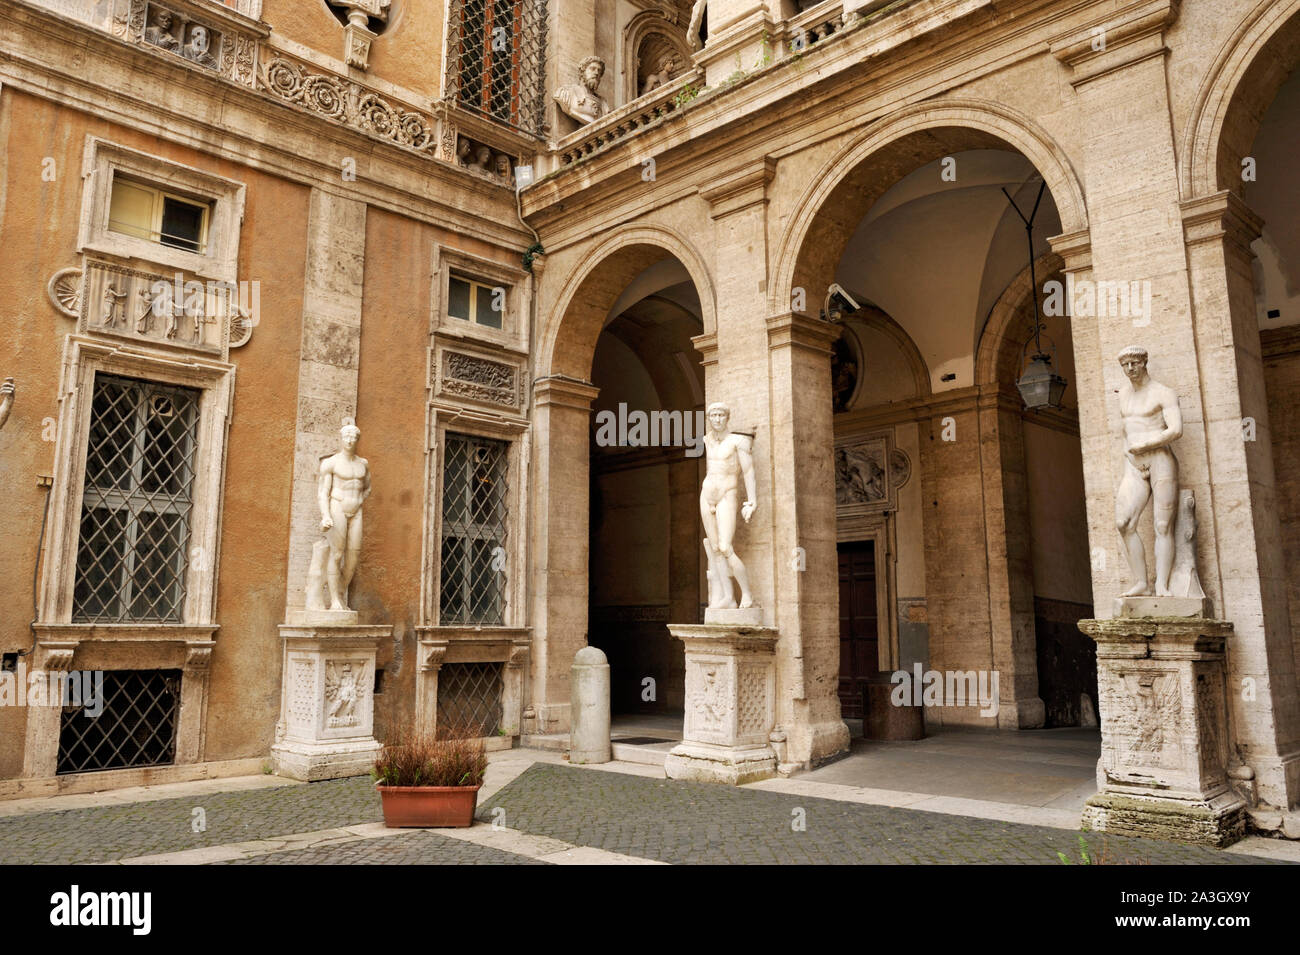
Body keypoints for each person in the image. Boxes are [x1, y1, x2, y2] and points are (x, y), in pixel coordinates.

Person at [1114, 345, 1182, 597]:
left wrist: (1145, 444)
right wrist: (1128, 454)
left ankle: (1162, 585)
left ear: (1144, 362)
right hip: (1133, 462)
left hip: (1160, 459)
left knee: (1162, 525)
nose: (1130, 368)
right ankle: (1141, 582)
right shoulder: (1122, 394)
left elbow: (1175, 430)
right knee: (1123, 522)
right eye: (1125, 365)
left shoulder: (1163, 393)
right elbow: (1124, 430)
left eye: (1134, 363)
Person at [700, 402, 757, 609]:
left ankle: (748, 595)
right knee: (714, 549)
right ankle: (728, 598)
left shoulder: (737, 441)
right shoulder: (707, 440)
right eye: (713, 415)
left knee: (725, 547)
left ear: (727, 417)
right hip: (707, 494)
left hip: (727, 493)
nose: (717, 419)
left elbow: (748, 471)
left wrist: (752, 501)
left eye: (721, 415)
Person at [318, 418, 372, 611]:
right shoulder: (331, 463)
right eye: (346, 436)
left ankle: (339, 592)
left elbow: (367, 487)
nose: (350, 440)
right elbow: (323, 493)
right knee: (337, 553)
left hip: (356, 510)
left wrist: (357, 501)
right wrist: (326, 515)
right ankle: (334, 601)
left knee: (353, 558)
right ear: (341, 438)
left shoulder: (363, 464)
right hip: (337, 506)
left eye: (353, 437)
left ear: (357, 440)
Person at [553, 56, 609, 126]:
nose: (596, 73)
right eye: (592, 69)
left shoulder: (603, 104)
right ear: (582, 72)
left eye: (599, 71)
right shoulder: (566, 93)